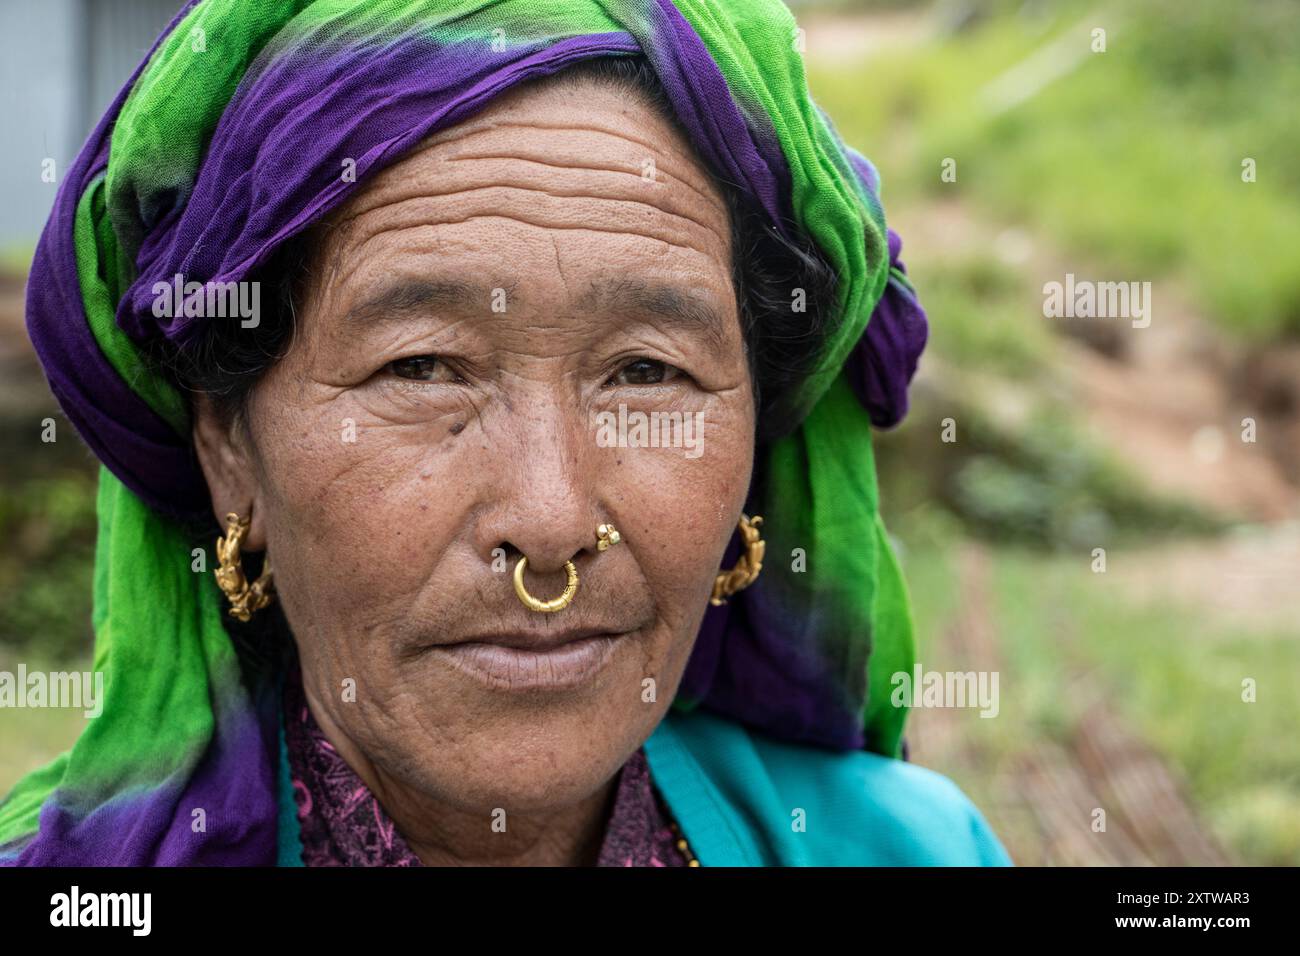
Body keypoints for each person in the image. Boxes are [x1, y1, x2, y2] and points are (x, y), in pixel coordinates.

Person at [1, 0, 1010, 867]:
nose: (549, 519)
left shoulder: (909, 848)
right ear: (231, 452)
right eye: (421, 367)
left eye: (646, 371)